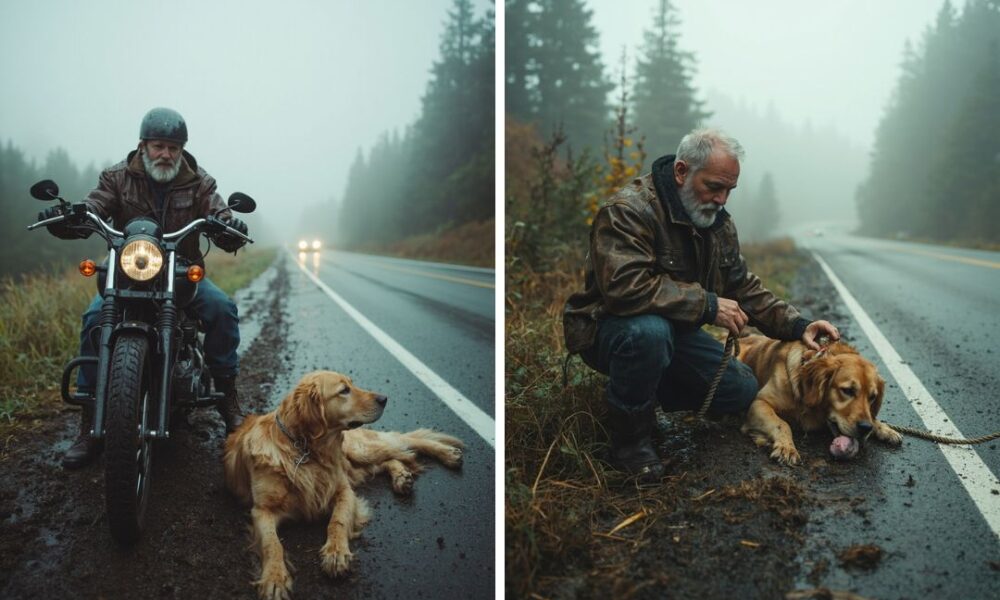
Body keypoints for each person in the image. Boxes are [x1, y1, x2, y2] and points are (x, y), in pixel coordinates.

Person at [562, 128, 839, 485]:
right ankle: (630, 440)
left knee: (740, 389)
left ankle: (642, 392)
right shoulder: (628, 211)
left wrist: (799, 325)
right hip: (611, 329)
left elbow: (743, 286)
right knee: (650, 332)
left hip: (672, 335)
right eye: (713, 187)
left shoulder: (717, 224)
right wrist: (707, 305)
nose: (722, 199)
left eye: (729, 190)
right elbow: (623, 288)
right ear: (681, 171)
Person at [41, 107, 250, 469]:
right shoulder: (117, 177)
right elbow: (96, 205)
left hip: (182, 272)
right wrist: (71, 217)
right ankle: (89, 423)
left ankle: (226, 397)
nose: (165, 154)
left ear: (182, 149)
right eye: (158, 146)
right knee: (94, 318)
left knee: (222, 309)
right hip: (129, 270)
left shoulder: (200, 182)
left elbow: (217, 211)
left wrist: (227, 225)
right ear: (143, 145)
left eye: (173, 147)